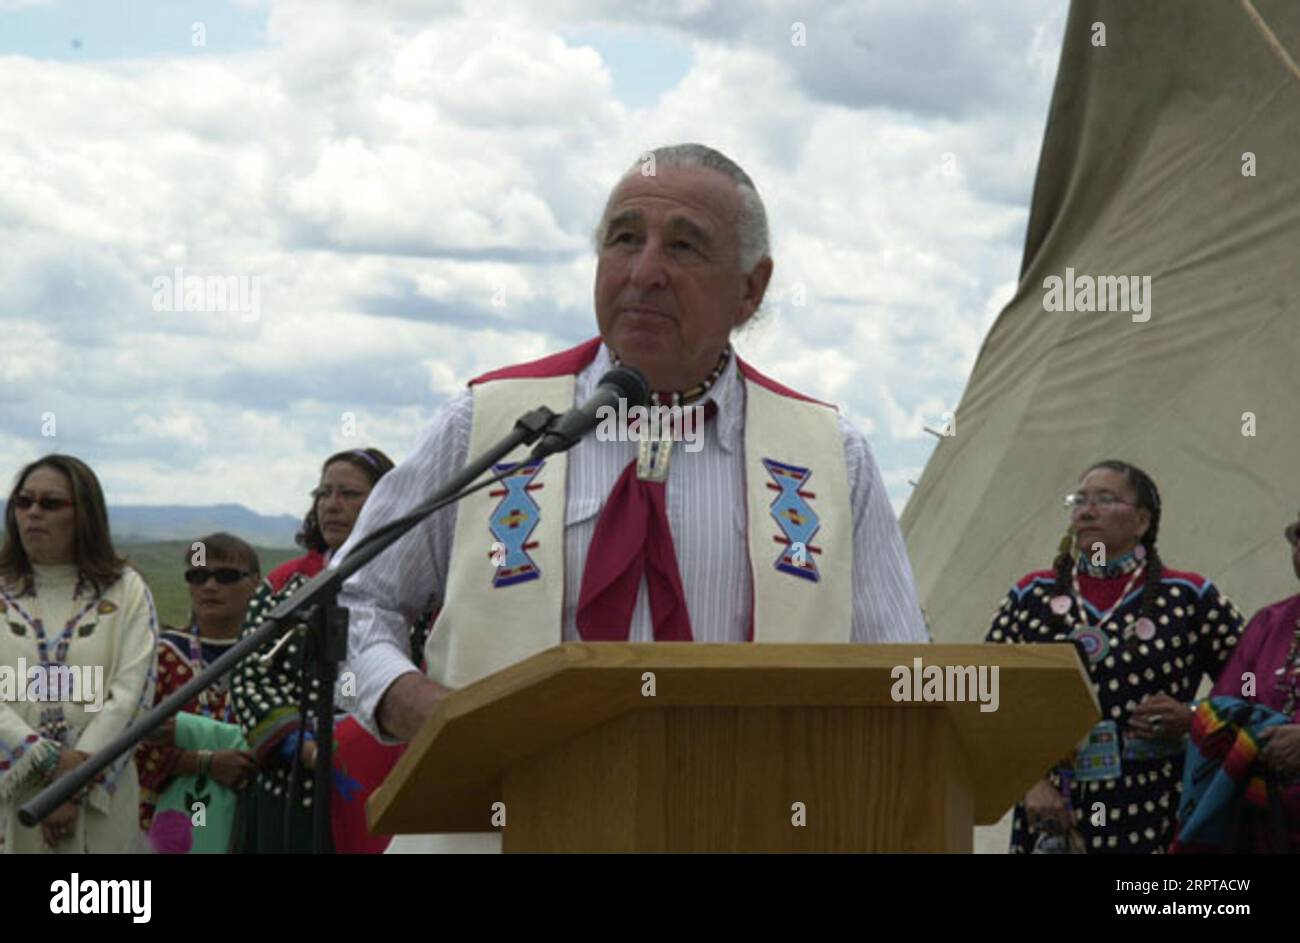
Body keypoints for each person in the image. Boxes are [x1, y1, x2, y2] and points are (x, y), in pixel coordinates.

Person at [338, 144, 928, 851]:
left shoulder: (830, 458)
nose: (645, 272)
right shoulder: (490, 424)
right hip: (496, 831)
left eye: (684, 246)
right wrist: (410, 701)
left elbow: (898, 678)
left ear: (752, 288)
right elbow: (353, 599)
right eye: (624, 239)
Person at [985, 459, 1245, 853]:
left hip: (1157, 808)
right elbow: (987, 695)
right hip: (1053, 812)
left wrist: (1192, 716)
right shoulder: (1030, 595)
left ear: (1142, 521)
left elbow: (1253, 686)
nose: (1086, 511)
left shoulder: (1189, 596)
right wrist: (1029, 784)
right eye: (1079, 500)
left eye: (1105, 500)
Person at [230, 447, 428, 853]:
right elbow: (250, 675)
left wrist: (364, 743)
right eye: (323, 494)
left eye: (349, 494)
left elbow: (430, 663)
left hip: (386, 773)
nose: (331, 505)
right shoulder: (284, 586)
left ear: (386, 500)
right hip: (293, 789)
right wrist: (302, 746)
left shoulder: (416, 589)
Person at [0, 455, 157, 853]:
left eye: (50, 504)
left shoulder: (125, 590)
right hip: (12, 788)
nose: (33, 513)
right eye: (24, 502)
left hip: (99, 793)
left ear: (83, 513)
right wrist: (45, 760)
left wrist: (73, 781)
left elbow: (132, 692)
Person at [135, 533, 260, 852]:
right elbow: (130, 745)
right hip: (170, 817)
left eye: (226, 576)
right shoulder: (159, 656)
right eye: (198, 575)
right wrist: (205, 763)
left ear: (256, 584)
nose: (210, 586)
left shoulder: (272, 657)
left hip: (253, 818)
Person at [1194, 510, 1300, 849]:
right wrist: (1244, 721)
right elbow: (1239, 695)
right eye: (1299, 536)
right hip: (1266, 827)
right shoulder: (1271, 623)